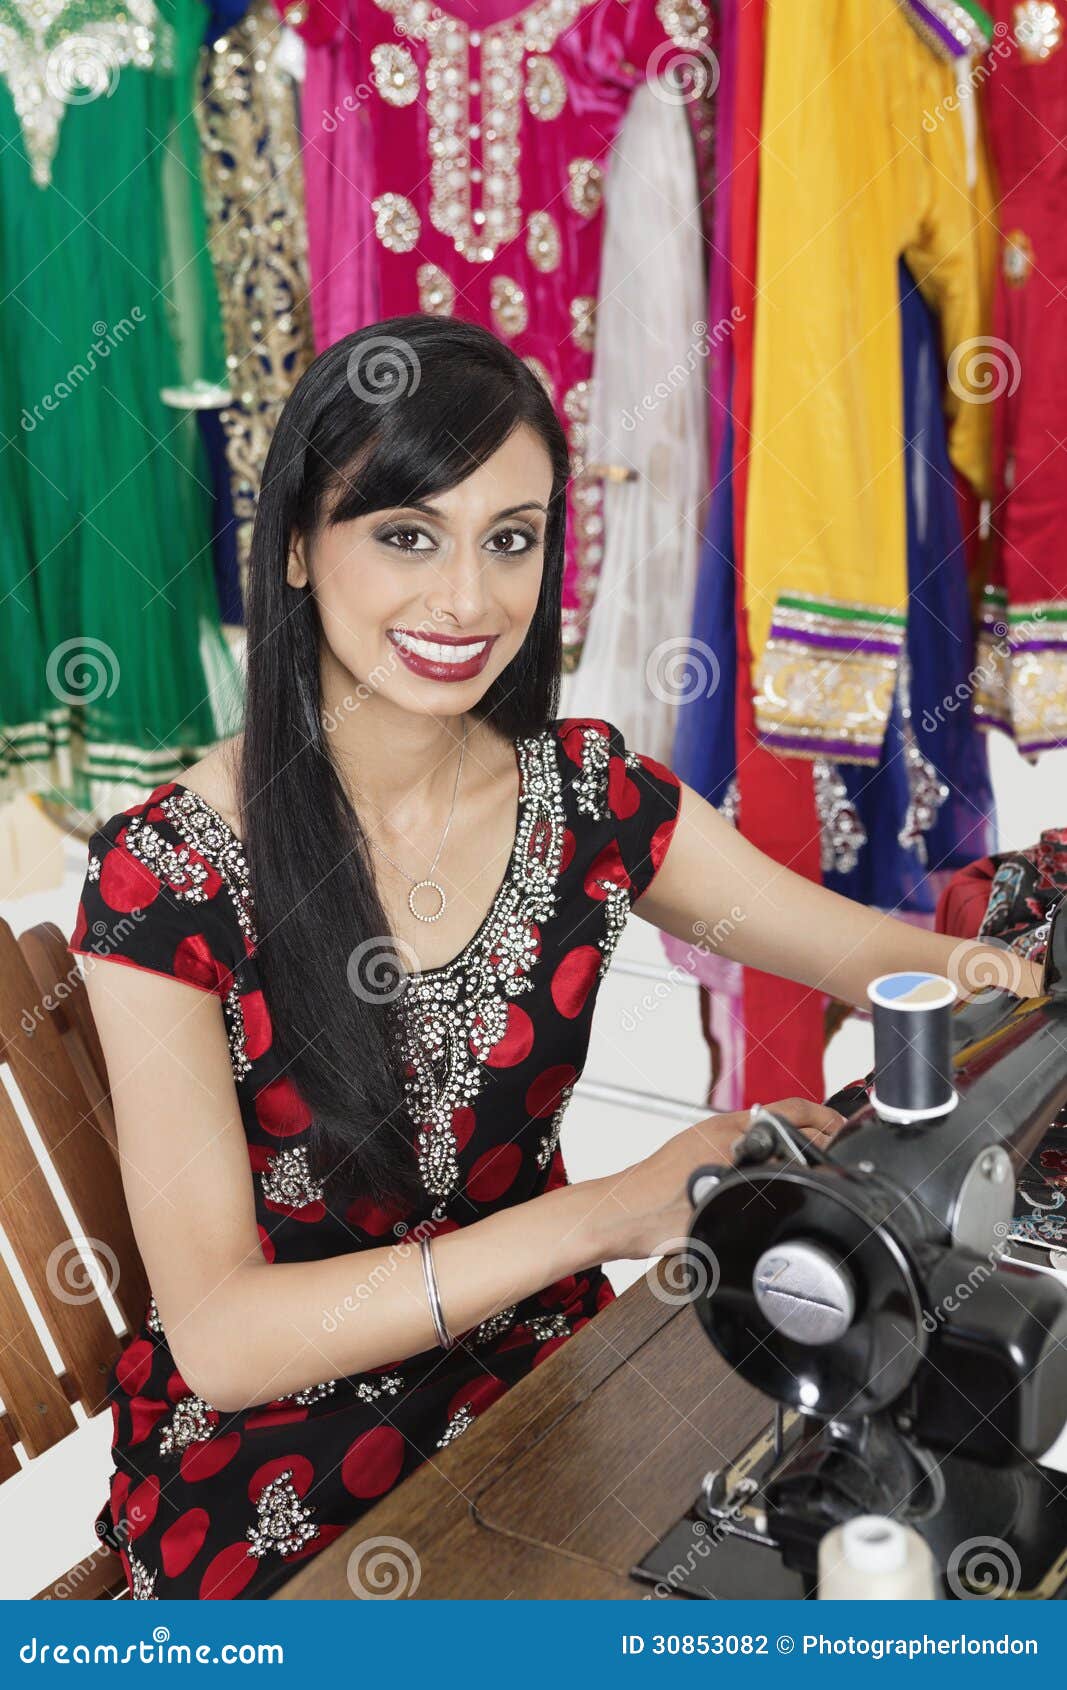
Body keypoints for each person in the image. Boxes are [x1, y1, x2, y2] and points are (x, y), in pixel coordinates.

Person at [67, 314, 1043, 1600]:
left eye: (509, 539)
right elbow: (225, 1340)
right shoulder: (171, 873)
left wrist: (1012, 974)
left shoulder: (582, 795)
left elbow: (877, 960)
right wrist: (610, 1213)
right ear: (299, 544)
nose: (467, 600)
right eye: (407, 535)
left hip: (540, 1386)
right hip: (277, 1479)